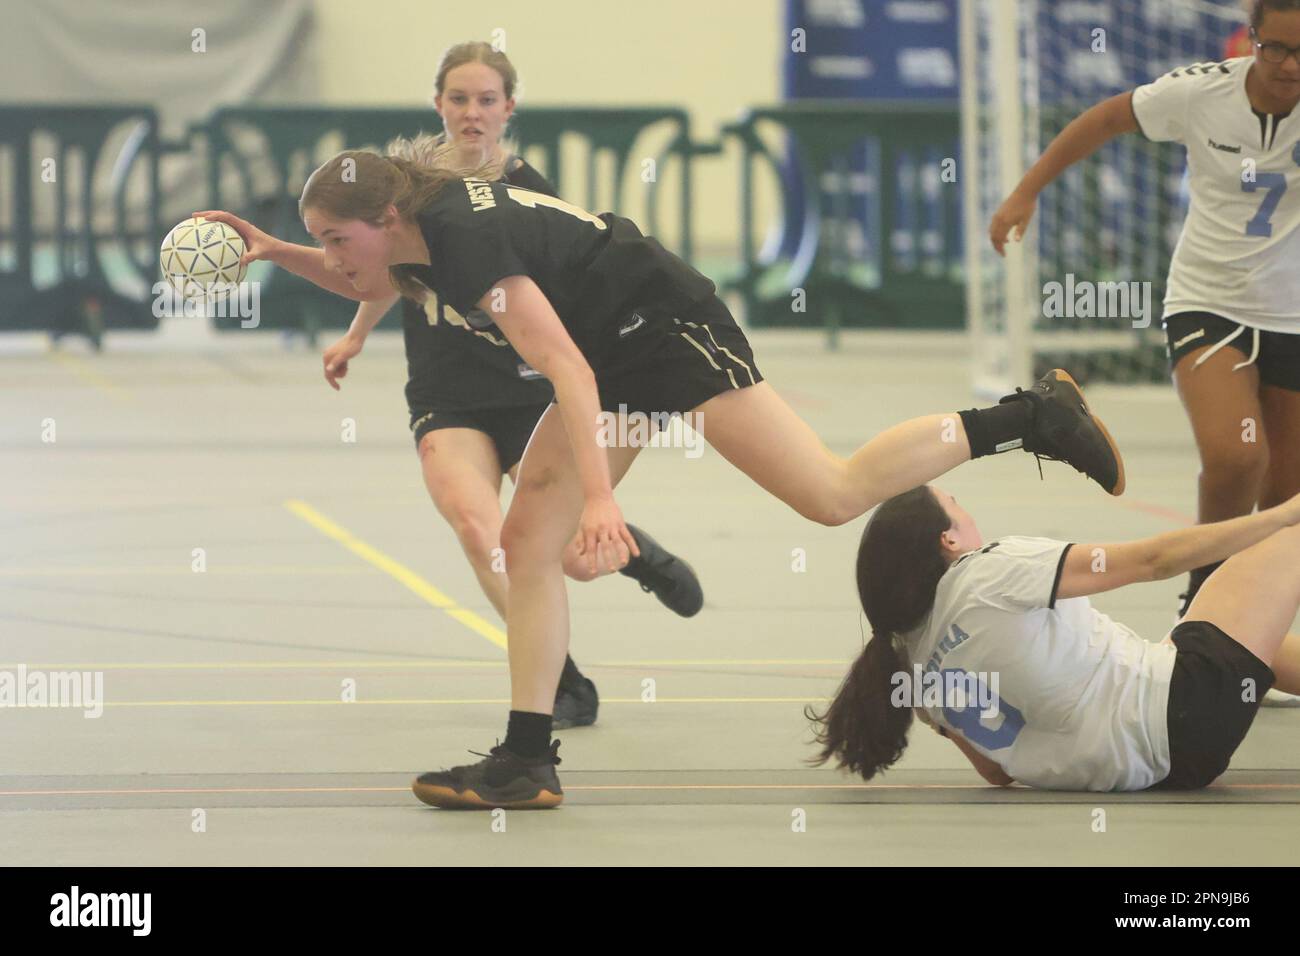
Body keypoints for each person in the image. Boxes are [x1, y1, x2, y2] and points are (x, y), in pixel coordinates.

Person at [202, 140, 1126, 809]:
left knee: (831, 494)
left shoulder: (463, 241)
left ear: (389, 216)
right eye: (315, 240)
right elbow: (367, 286)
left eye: (333, 236)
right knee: (528, 540)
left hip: (659, 328)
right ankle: (527, 760)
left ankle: (1033, 417)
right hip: (612, 346)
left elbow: (567, 371)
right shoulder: (415, 241)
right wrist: (272, 252)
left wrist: (603, 502)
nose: (331, 254)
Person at [208, 41, 704, 731]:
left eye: (486, 100)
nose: (472, 112)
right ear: (438, 104)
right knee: (481, 530)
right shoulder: (401, 190)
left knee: (557, 552)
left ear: (508, 110)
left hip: (527, 387)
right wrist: (356, 330)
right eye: (458, 99)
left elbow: (563, 299)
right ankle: (559, 681)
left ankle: (632, 546)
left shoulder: (522, 190)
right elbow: (381, 268)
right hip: (448, 390)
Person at [989, 0, 1300, 627]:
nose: (1288, 65)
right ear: (1250, 39)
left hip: (1292, 315)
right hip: (1208, 304)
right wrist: (1026, 190)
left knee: (1287, 499)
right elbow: (1106, 119)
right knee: (1239, 457)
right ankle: (1203, 613)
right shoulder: (1200, 94)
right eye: (1276, 48)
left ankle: (1253, 631)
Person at [809, 484, 1300, 791]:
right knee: (1289, 534)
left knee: (1256, 651)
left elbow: (997, 772)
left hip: (1163, 766)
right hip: (1182, 704)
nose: (968, 511)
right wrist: (1278, 516)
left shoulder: (915, 667)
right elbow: (1153, 562)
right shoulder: (990, 572)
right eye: (956, 503)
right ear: (949, 539)